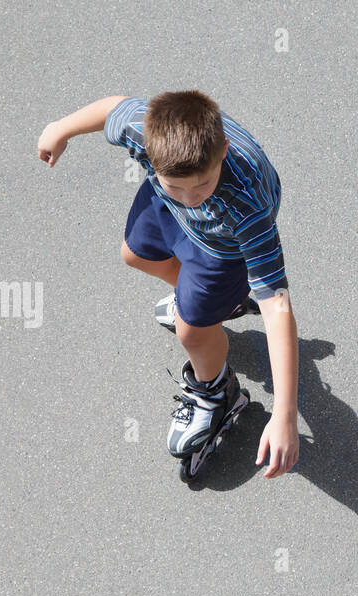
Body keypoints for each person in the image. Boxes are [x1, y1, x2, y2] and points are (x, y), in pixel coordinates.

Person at [37, 92, 300, 478]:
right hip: (165, 207)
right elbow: (112, 108)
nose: (191, 199)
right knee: (134, 254)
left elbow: (277, 306)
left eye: (202, 185)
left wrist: (285, 415)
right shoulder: (148, 136)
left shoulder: (248, 207)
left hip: (225, 244)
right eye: (179, 186)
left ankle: (216, 390)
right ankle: (220, 304)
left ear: (223, 151)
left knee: (191, 332)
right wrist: (60, 129)